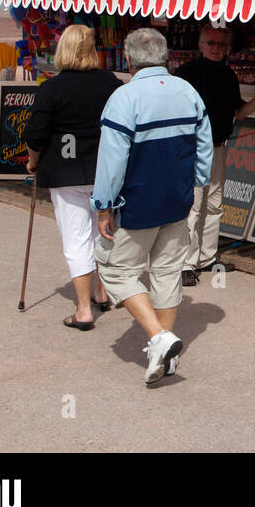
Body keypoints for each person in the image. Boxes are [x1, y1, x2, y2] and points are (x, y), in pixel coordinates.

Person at [92, 28, 213, 384]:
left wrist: (104, 206)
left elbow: (112, 160)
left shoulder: (124, 97)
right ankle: (164, 354)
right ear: (165, 57)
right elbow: (204, 147)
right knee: (167, 272)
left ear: (128, 59)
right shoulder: (188, 91)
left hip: (137, 203)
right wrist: (197, 183)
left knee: (115, 270)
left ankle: (159, 338)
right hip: (177, 198)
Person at [25, 24, 122, 331]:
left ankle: (83, 310)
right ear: (92, 51)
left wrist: (32, 161)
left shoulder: (51, 88)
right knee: (103, 234)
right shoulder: (110, 82)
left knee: (76, 239)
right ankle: (102, 290)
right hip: (104, 172)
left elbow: (35, 135)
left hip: (65, 172)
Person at [174, 23, 255, 286]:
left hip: (219, 145)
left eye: (221, 45)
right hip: (194, 147)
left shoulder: (228, 74)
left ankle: (207, 258)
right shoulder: (186, 73)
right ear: (200, 45)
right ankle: (187, 263)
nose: (216, 49)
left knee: (213, 204)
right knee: (194, 205)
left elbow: (239, 112)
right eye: (211, 43)